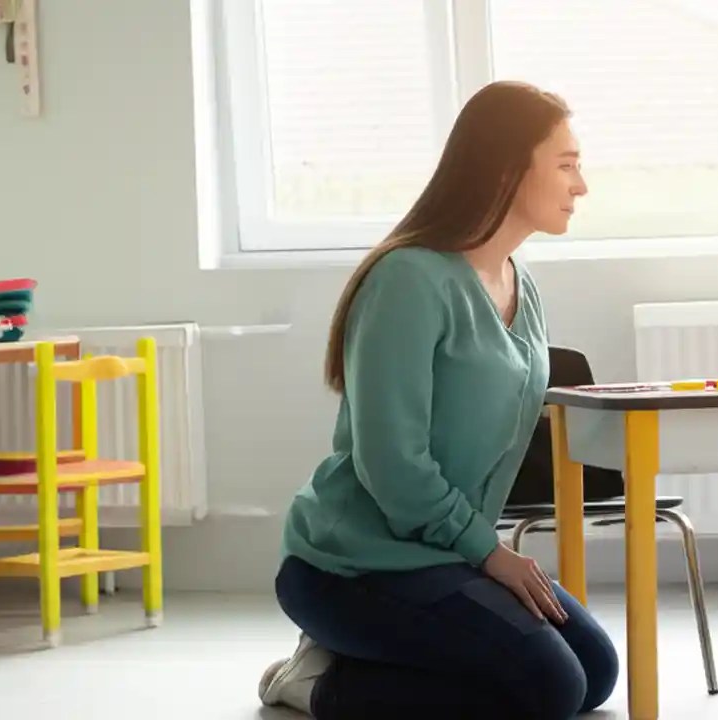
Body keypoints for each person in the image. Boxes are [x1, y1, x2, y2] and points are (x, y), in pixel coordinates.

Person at [257, 81, 618, 720]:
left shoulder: (520, 284)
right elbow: (392, 464)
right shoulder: (409, 280)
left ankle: (374, 655)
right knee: (550, 688)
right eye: (566, 165)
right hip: (352, 566)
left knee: (594, 672)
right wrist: (490, 553)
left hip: (444, 554)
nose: (581, 185)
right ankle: (314, 683)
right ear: (508, 170)